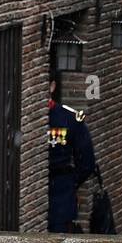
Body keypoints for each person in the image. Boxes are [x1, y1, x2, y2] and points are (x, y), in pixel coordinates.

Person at [47, 76, 98, 233]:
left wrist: (69, 183)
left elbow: (87, 162)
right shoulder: (24, 116)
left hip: (60, 191)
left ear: (52, 86)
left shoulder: (69, 118)